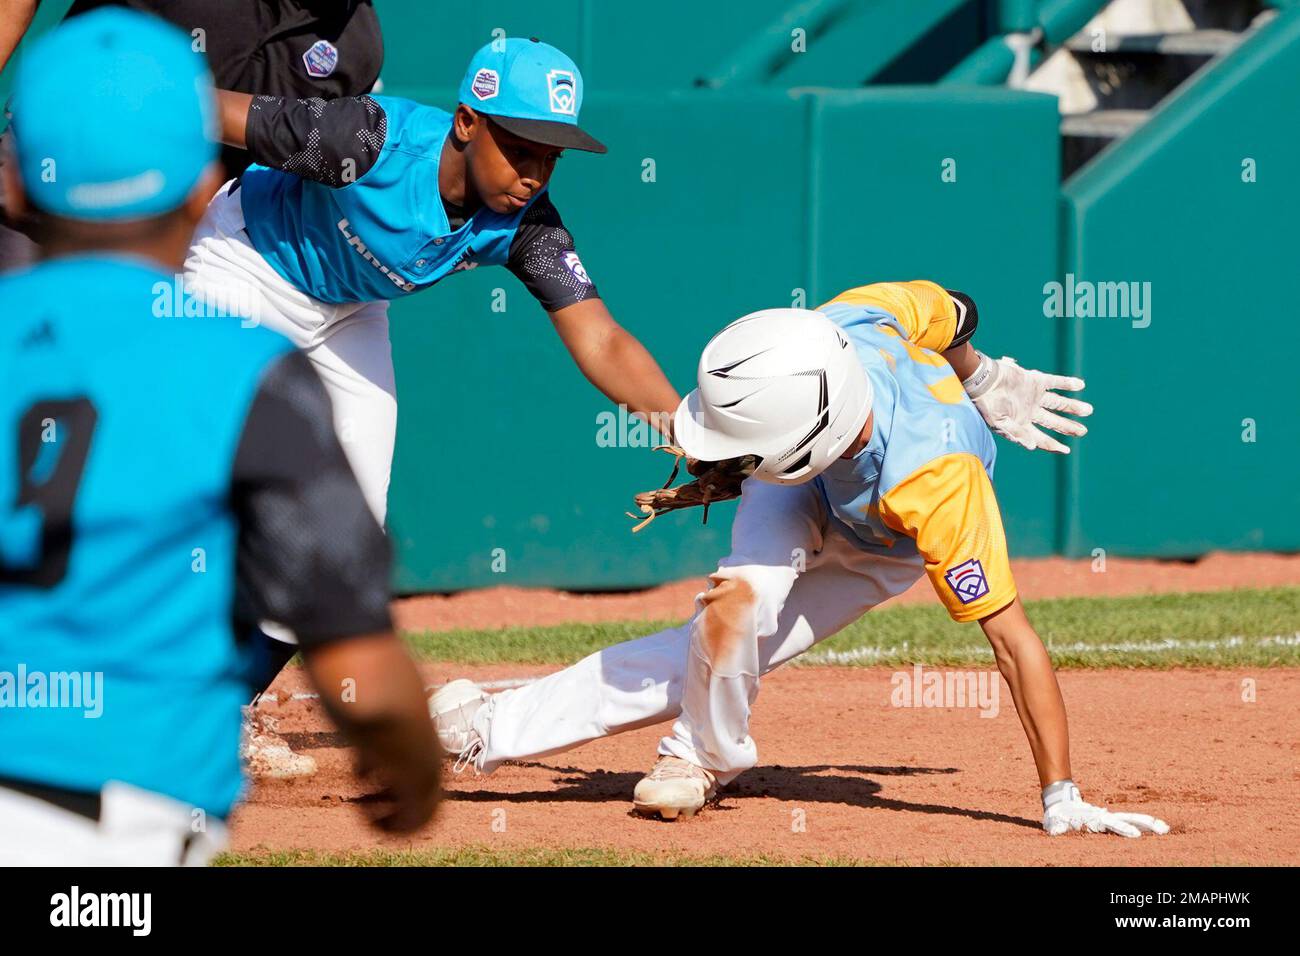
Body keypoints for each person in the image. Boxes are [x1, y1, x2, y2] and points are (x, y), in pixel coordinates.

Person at [430, 280, 1168, 838]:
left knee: (730, 648)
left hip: (881, 543)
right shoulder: (841, 325)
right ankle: (697, 754)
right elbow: (956, 308)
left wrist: (1060, 794)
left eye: (740, 454)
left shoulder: (938, 484)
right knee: (736, 608)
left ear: (802, 439)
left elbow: (1012, 641)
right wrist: (979, 373)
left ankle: (522, 729)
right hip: (812, 481)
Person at [0, 8, 440, 865]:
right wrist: (412, 775)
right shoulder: (247, 376)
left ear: (16, 180)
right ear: (208, 183)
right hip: (107, 834)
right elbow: (362, 664)